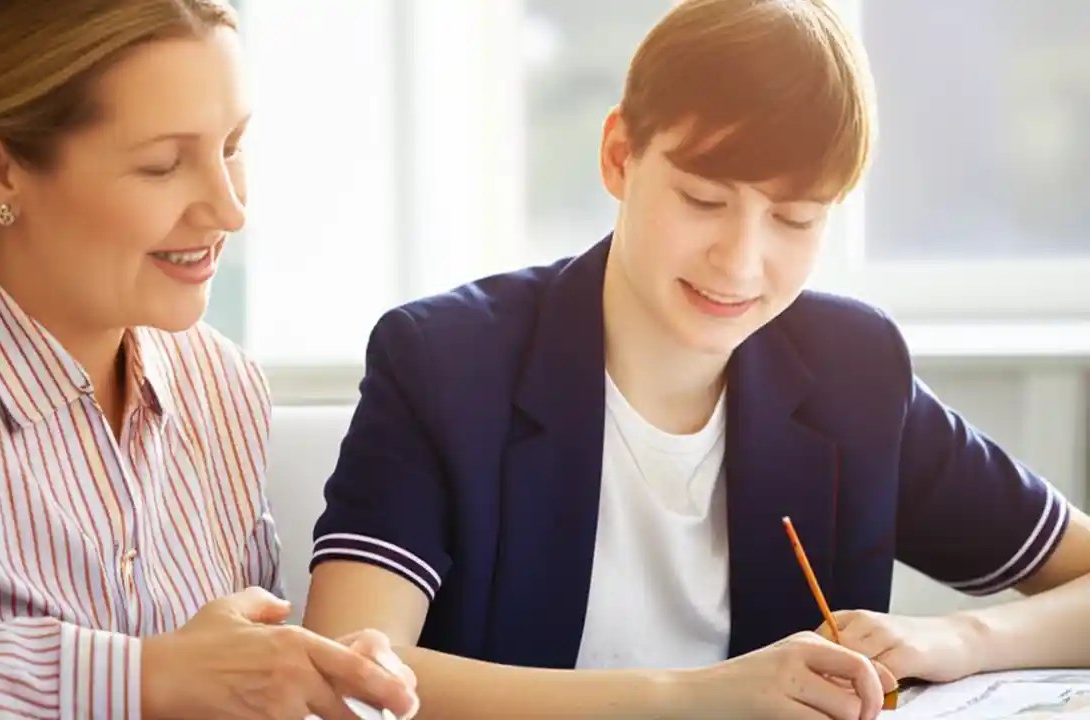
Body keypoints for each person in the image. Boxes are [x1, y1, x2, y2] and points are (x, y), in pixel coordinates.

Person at [301, 0, 1090, 718]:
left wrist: (962, 640)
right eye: (704, 200)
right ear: (619, 156)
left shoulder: (853, 370)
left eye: (793, 219)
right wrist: (693, 699)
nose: (740, 262)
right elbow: (346, 674)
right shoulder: (445, 363)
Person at [0, 2, 419, 719]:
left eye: (231, 146)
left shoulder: (223, 386)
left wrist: (315, 672)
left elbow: (229, 661)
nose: (228, 210)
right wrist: (138, 678)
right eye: (162, 165)